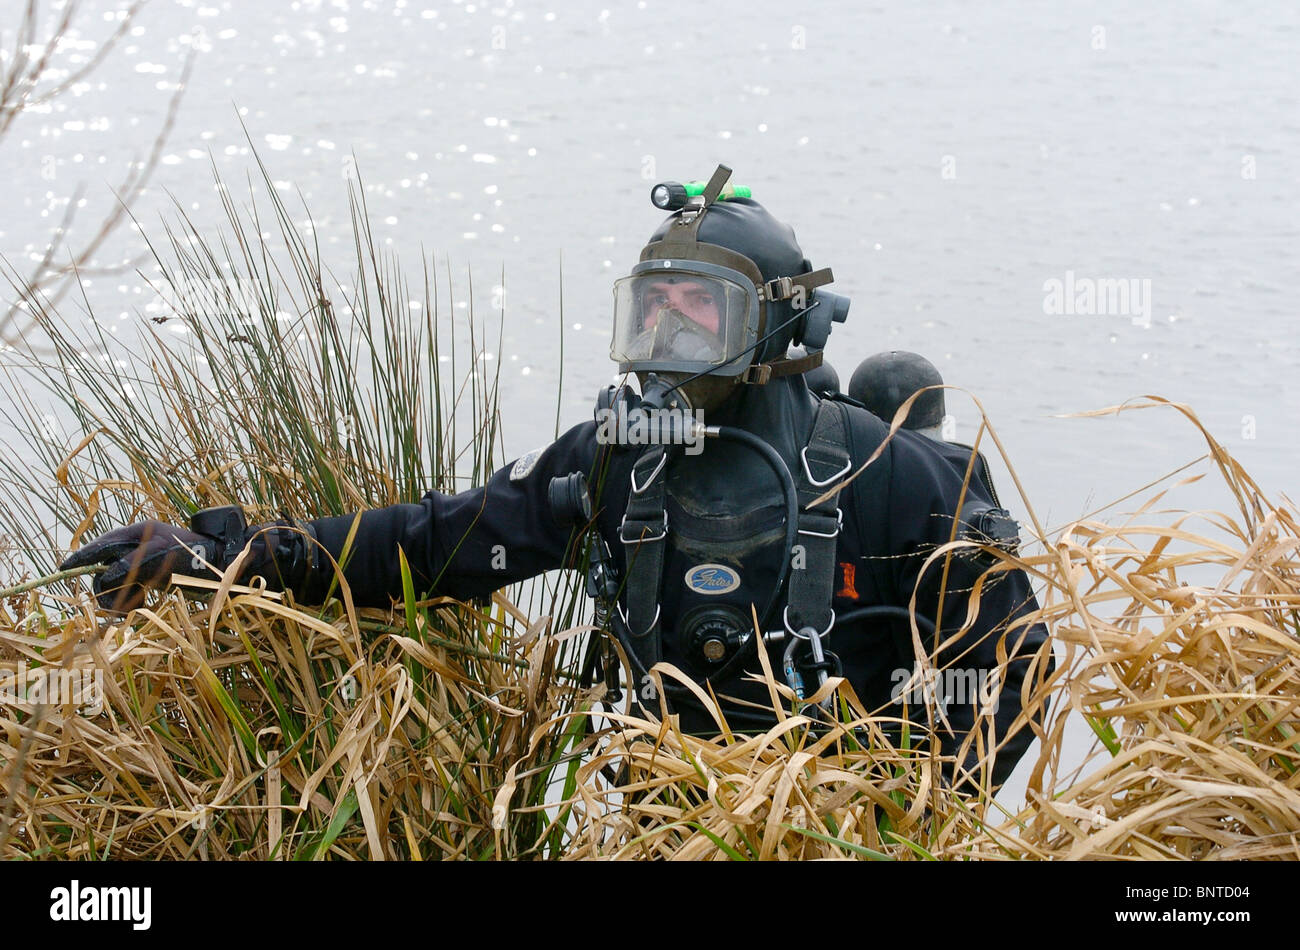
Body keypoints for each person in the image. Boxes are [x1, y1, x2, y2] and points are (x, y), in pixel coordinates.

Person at [61, 166, 1053, 793]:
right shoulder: (616, 465)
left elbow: (1014, 679)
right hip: (672, 818)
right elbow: (432, 543)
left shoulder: (905, 479)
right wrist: (225, 553)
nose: (665, 349)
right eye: (650, 318)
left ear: (778, 329)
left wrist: (912, 819)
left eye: (696, 319)